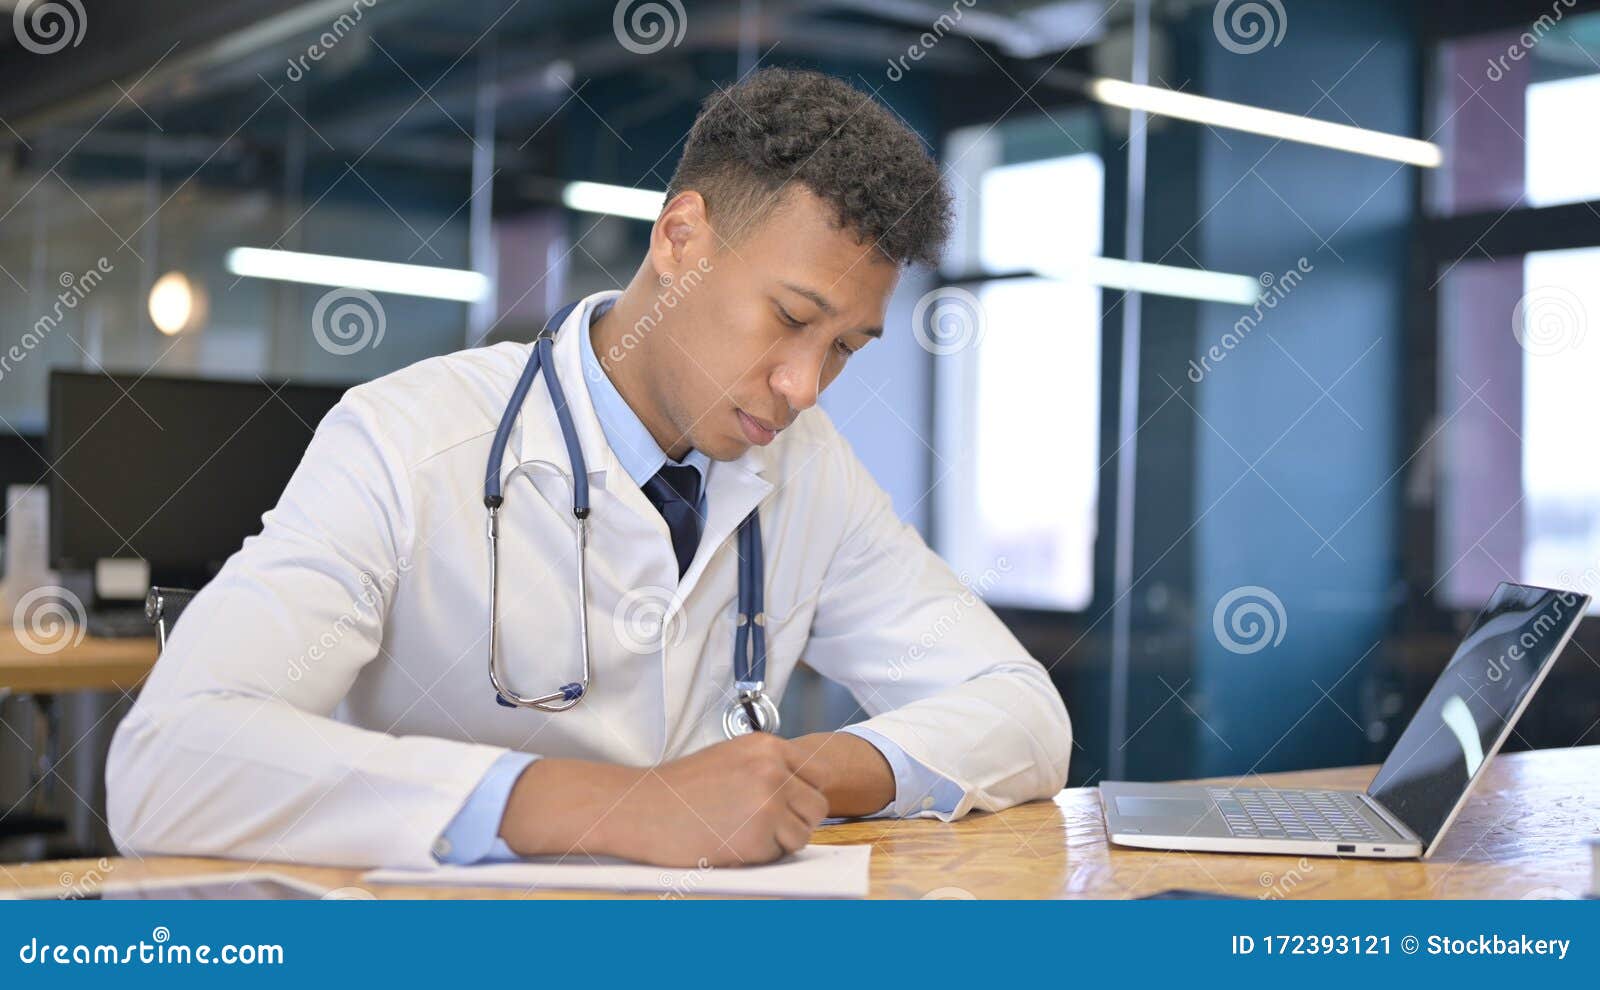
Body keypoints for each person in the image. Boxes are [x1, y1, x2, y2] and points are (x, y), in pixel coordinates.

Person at [106, 67, 1072, 870]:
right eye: (788, 319)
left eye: (846, 349)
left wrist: (801, 771)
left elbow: (1022, 712)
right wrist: (625, 808)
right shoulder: (407, 439)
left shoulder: (810, 471)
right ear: (682, 237)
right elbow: (171, 759)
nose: (804, 385)